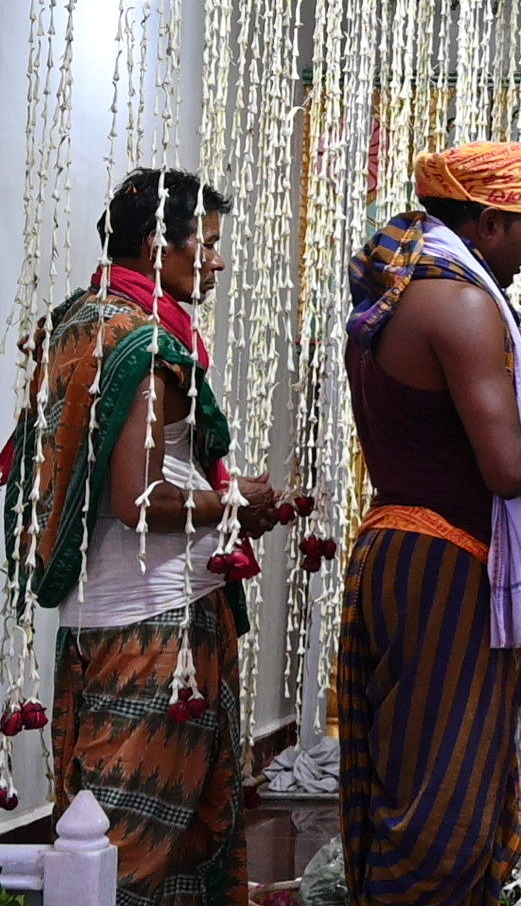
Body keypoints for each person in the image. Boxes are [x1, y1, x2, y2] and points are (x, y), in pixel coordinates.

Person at [335, 141, 521, 906]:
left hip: (402, 542)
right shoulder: (458, 300)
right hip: (445, 561)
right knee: (443, 795)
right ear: (487, 224)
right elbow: (507, 468)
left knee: (415, 773)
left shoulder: (404, 290)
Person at [3, 168, 280, 906]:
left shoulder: (84, 319)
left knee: (109, 830)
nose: (217, 260)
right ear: (163, 243)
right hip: (156, 630)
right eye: (209, 244)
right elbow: (138, 495)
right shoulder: (146, 342)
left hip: (104, 622)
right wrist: (231, 499)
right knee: (133, 852)